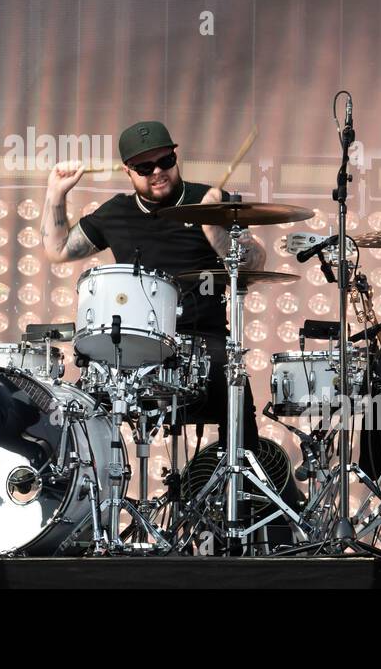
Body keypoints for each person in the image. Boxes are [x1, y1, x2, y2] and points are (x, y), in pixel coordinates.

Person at [40, 120, 266, 447]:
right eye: (145, 167)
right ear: (128, 171)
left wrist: (215, 230)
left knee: (234, 386)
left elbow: (256, 267)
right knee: (86, 405)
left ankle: (243, 489)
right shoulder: (115, 212)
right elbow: (57, 249)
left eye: (165, 161)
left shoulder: (212, 200)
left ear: (176, 157)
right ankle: (90, 487)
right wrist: (56, 194)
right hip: (133, 346)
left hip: (203, 342)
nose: (157, 171)